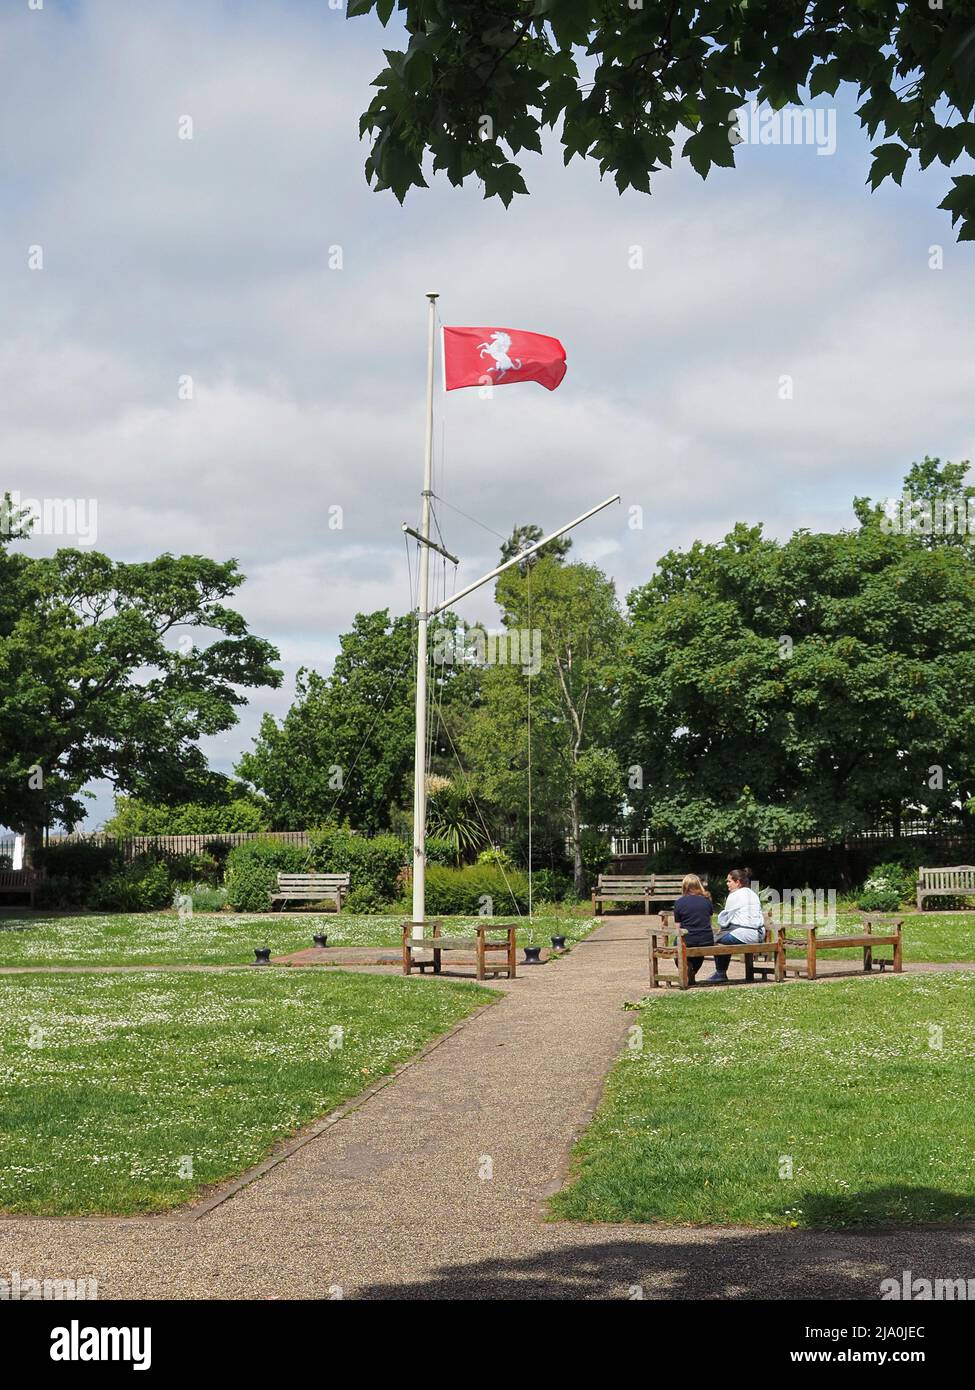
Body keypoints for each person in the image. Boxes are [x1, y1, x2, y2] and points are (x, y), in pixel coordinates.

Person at [706, 867, 765, 983]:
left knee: (717, 940)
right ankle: (721, 973)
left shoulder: (734, 895)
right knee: (723, 937)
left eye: (729, 881)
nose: (727, 884)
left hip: (744, 934)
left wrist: (720, 929)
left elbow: (724, 921)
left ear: (737, 882)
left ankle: (720, 973)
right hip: (759, 935)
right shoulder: (753, 893)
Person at [671, 873, 714, 984]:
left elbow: (678, 928)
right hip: (706, 939)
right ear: (699, 885)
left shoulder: (679, 902)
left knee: (677, 944)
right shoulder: (707, 901)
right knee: (699, 949)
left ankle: (686, 969)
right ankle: (693, 971)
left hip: (688, 938)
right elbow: (708, 922)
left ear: (684, 886)